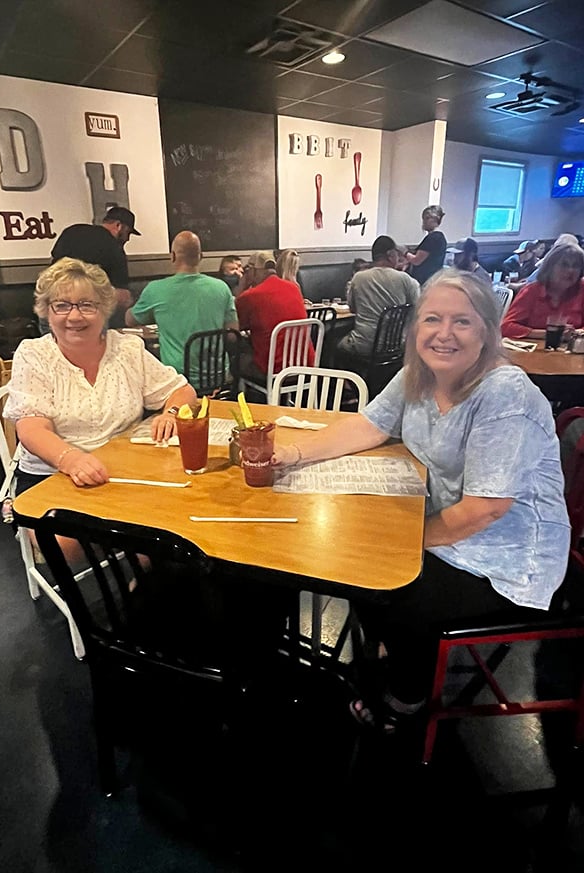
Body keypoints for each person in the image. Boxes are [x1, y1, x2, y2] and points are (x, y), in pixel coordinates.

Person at [273, 269, 570, 733]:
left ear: (488, 331)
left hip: (508, 558)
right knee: (362, 567)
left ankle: (407, 696)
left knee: (383, 583)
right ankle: (402, 654)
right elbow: (368, 426)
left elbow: (486, 508)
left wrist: (403, 543)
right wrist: (289, 453)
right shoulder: (419, 374)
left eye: (462, 322)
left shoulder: (504, 393)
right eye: (432, 319)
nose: (444, 334)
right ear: (416, 329)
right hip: (449, 527)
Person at [4, 258, 196, 560]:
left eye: (86, 305)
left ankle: (144, 580)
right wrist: (71, 459)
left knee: (181, 513)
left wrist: (170, 413)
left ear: (104, 309)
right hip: (52, 475)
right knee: (67, 541)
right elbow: (30, 428)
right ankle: (140, 567)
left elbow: (183, 391)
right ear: (46, 310)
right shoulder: (33, 354)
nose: (74, 316)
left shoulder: (128, 349)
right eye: (62, 305)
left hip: (122, 471)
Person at [127, 231, 238, 380]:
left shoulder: (155, 290)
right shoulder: (222, 288)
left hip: (177, 381)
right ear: (201, 257)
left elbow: (130, 321)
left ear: (172, 256)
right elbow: (232, 335)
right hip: (218, 378)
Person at [46, 206, 141, 331]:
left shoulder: (71, 231)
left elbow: (53, 262)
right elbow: (121, 297)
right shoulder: (114, 248)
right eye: (128, 233)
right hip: (84, 317)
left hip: (52, 308)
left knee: (51, 348)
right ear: (119, 226)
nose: (127, 239)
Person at [336, 235, 420, 370]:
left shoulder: (359, 278)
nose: (398, 258)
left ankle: (348, 385)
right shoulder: (407, 280)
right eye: (396, 254)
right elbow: (418, 309)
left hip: (364, 344)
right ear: (390, 255)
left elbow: (352, 309)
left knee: (336, 345)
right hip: (396, 344)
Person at [235, 250, 311, 383]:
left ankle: (249, 402)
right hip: (304, 364)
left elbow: (235, 327)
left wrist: (241, 287)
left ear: (252, 271)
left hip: (273, 369)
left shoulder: (250, 296)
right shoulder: (294, 288)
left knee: (237, 359)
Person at [501, 242, 584, 340]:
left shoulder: (581, 289)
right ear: (550, 267)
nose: (570, 270)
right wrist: (549, 334)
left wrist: (577, 333)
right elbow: (506, 327)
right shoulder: (532, 291)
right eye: (564, 265)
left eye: (575, 266)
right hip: (532, 352)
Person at [405, 205, 447, 286]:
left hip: (425, 280)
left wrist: (405, 252)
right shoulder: (440, 237)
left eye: (427, 218)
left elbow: (417, 260)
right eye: (424, 218)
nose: (424, 222)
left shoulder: (433, 238)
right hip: (433, 278)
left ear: (436, 219)